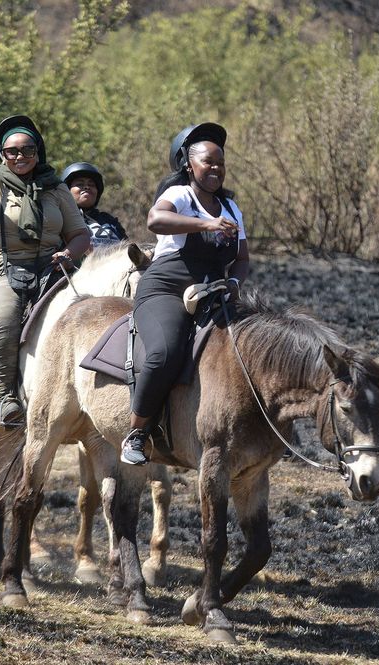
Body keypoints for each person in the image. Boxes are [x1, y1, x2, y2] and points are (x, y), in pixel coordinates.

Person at [0, 90, 91, 428]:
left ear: (38, 152)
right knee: (4, 318)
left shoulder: (57, 189)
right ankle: (7, 396)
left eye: (27, 150)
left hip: (54, 267)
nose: (20, 156)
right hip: (5, 269)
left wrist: (69, 253)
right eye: (12, 151)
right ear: (2, 154)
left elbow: (80, 235)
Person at [120, 122, 250, 465]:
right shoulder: (180, 195)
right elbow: (155, 219)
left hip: (214, 292)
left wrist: (235, 284)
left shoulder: (232, 208)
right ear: (188, 165)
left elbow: (242, 259)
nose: (216, 168)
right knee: (165, 351)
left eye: (221, 163)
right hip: (166, 290)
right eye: (208, 161)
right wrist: (206, 224)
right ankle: (137, 432)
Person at [61, 162, 128, 246]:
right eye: (80, 184)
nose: (87, 187)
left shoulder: (110, 221)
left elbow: (128, 248)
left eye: (91, 184)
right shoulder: (60, 219)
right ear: (66, 191)